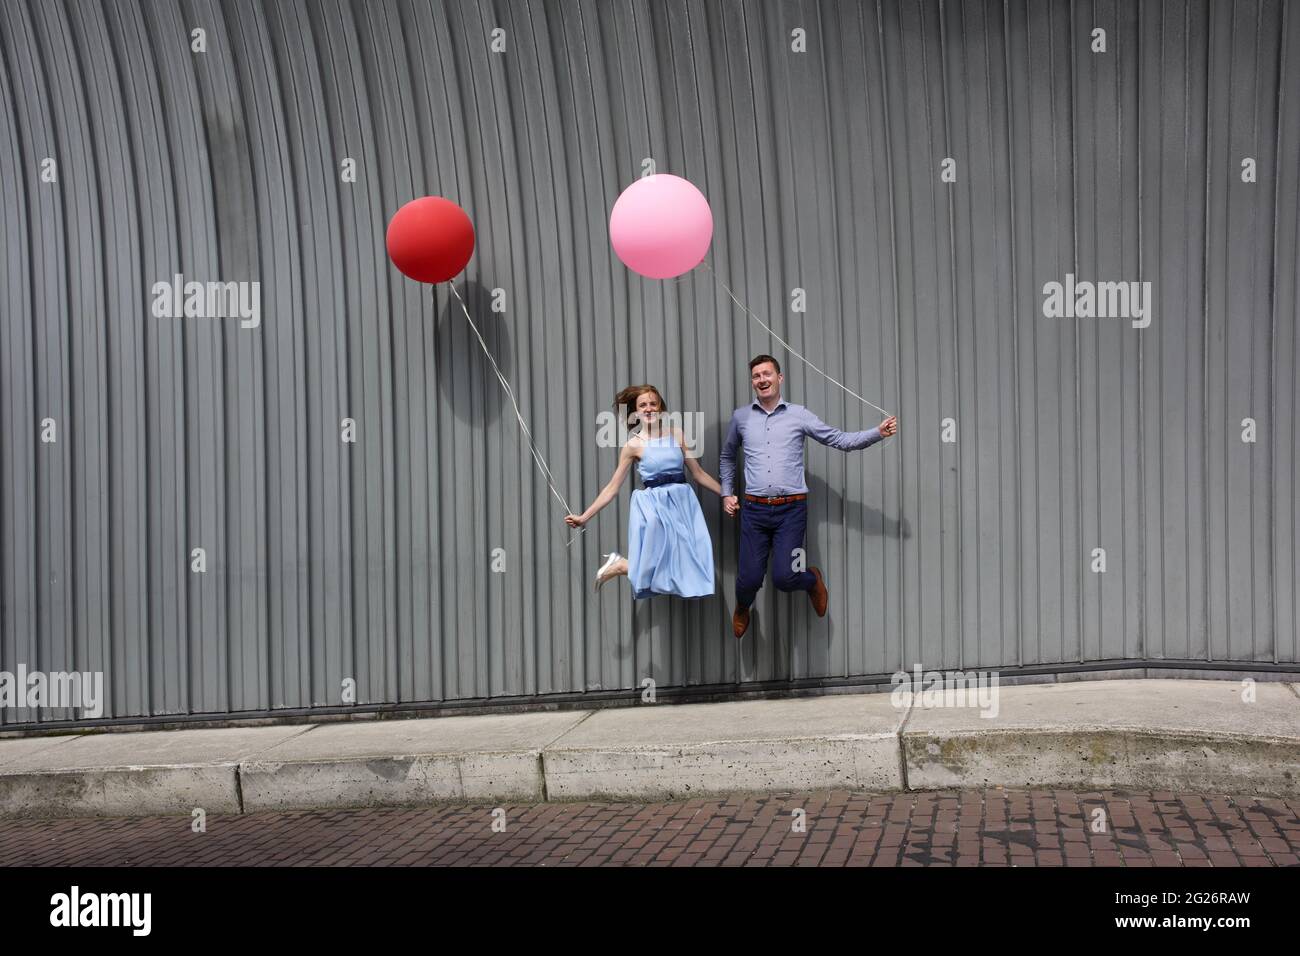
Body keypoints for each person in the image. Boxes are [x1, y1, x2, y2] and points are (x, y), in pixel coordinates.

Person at [720, 354, 898, 638]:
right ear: (752, 382)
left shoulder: (799, 415)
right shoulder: (741, 417)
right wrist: (727, 493)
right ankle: (743, 606)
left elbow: (840, 440)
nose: (762, 380)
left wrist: (877, 433)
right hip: (754, 511)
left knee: (785, 577)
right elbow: (728, 457)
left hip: (791, 511)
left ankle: (812, 579)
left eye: (767, 374)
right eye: (756, 376)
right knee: (747, 581)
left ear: (779, 378)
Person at [566, 385, 721, 598]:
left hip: (681, 503)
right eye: (643, 405)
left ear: (660, 408)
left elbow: (698, 473)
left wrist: (727, 494)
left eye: (652, 404)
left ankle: (622, 565)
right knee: (656, 562)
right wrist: (584, 517)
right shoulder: (633, 445)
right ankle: (621, 565)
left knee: (689, 561)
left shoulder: (677, 435)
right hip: (653, 507)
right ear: (636, 412)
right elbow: (612, 487)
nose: (648, 409)